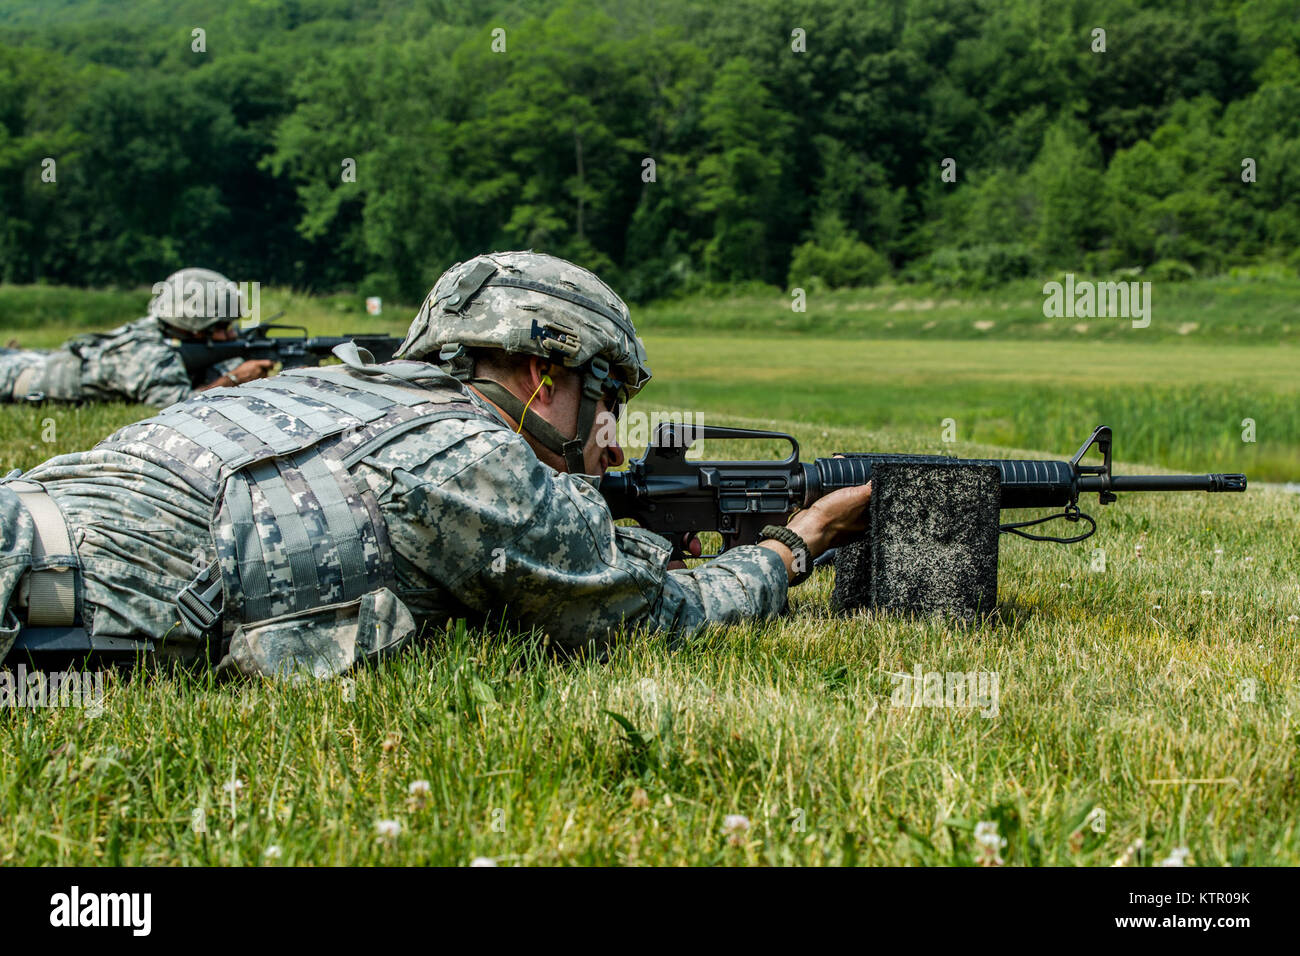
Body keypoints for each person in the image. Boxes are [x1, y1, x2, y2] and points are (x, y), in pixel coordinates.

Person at [0, 251, 870, 676]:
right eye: (605, 394)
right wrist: (796, 545)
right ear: (544, 373)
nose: (610, 426)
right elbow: (658, 621)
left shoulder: (323, 389)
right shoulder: (476, 462)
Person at [0, 268, 274, 406]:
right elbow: (181, 406)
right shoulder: (146, 352)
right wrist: (234, 379)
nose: (231, 334)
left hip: (51, 358)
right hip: (22, 378)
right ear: (195, 327)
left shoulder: (169, 334)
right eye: (224, 327)